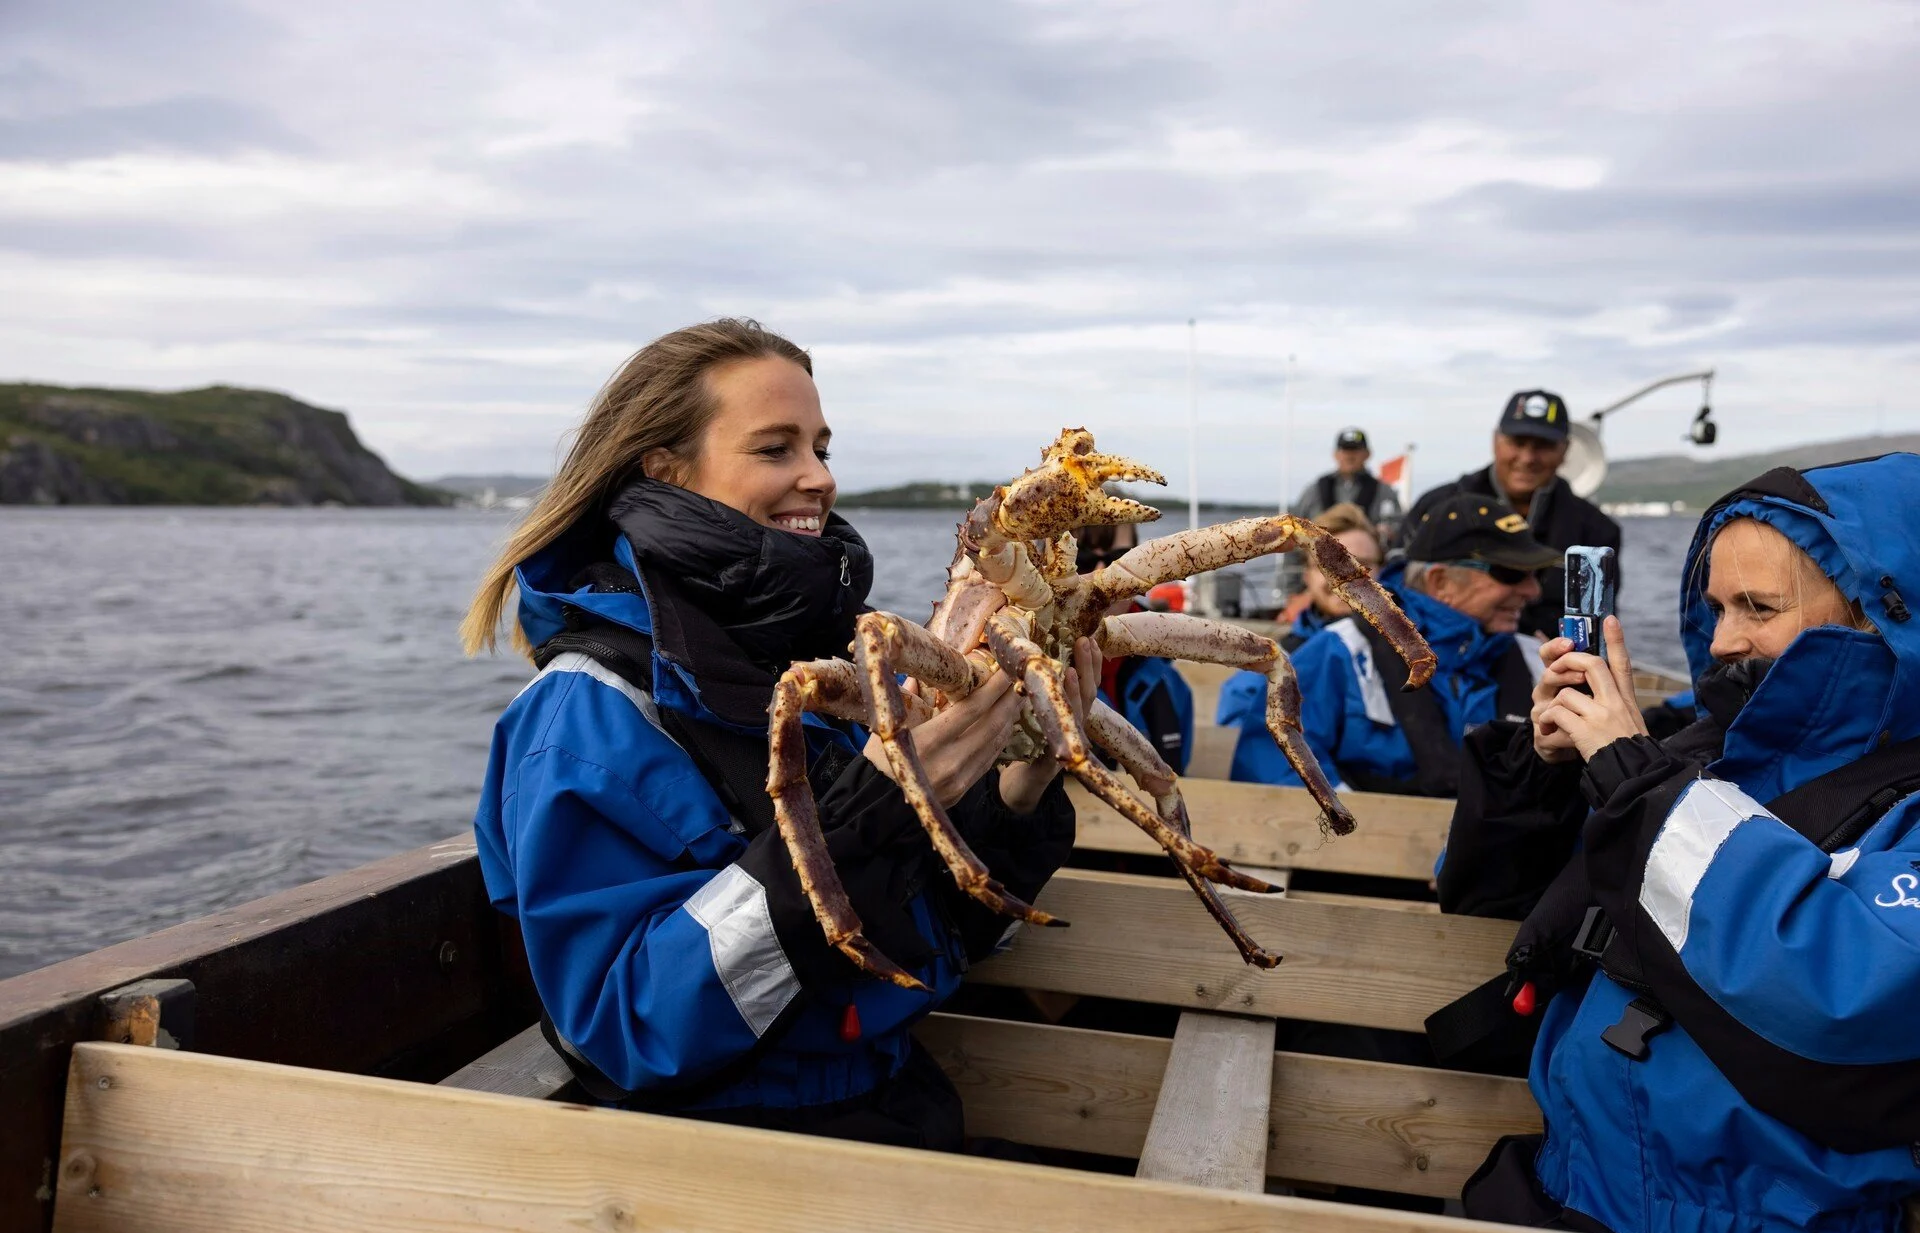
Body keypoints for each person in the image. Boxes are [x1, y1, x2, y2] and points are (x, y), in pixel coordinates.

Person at [462, 318, 1095, 1149]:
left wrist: (1014, 799)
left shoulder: (811, 669)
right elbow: (622, 1026)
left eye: (821, 446)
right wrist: (874, 814)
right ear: (668, 471)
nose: (819, 477)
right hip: (728, 1164)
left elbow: (930, 949)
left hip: (900, 1116)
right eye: (776, 449)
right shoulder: (584, 717)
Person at [1439, 457, 1920, 1233]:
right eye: (1716, 607)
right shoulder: (1703, 753)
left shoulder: (1896, 806)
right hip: (1570, 1202)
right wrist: (1546, 773)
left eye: (1757, 607)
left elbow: (1844, 989)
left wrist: (1636, 783)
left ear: (1879, 617)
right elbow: (1477, 894)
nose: (1724, 638)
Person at [1218, 493, 1557, 797]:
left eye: (1534, 575)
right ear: (1441, 582)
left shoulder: (1540, 665)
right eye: (1511, 574)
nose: (1533, 591)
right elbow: (1274, 766)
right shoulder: (1340, 653)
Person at [1402, 390, 1619, 637]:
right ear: (1495, 441)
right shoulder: (1434, 506)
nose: (1527, 458)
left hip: (1545, 663)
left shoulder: (1597, 530)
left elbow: (1597, 622)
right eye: (1518, 442)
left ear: (1565, 450)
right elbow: (1400, 588)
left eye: (1543, 446)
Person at [1075, 523, 1193, 773]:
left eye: (1119, 560)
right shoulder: (1020, 681)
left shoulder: (1170, 685)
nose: (1102, 575)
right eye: (1082, 558)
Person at [1277, 502, 1382, 654]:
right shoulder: (1278, 661)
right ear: (1308, 576)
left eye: (1360, 564)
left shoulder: (1415, 654)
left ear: (1382, 570)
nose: (1344, 578)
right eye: (1327, 565)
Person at [1291, 427, 1405, 536]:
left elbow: (1400, 529)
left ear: (1367, 454)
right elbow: (1294, 528)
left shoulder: (1384, 492)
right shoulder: (1315, 490)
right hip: (1319, 554)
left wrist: (1386, 532)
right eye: (1345, 450)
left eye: (1355, 450)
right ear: (1336, 455)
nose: (1350, 456)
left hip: (1366, 554)